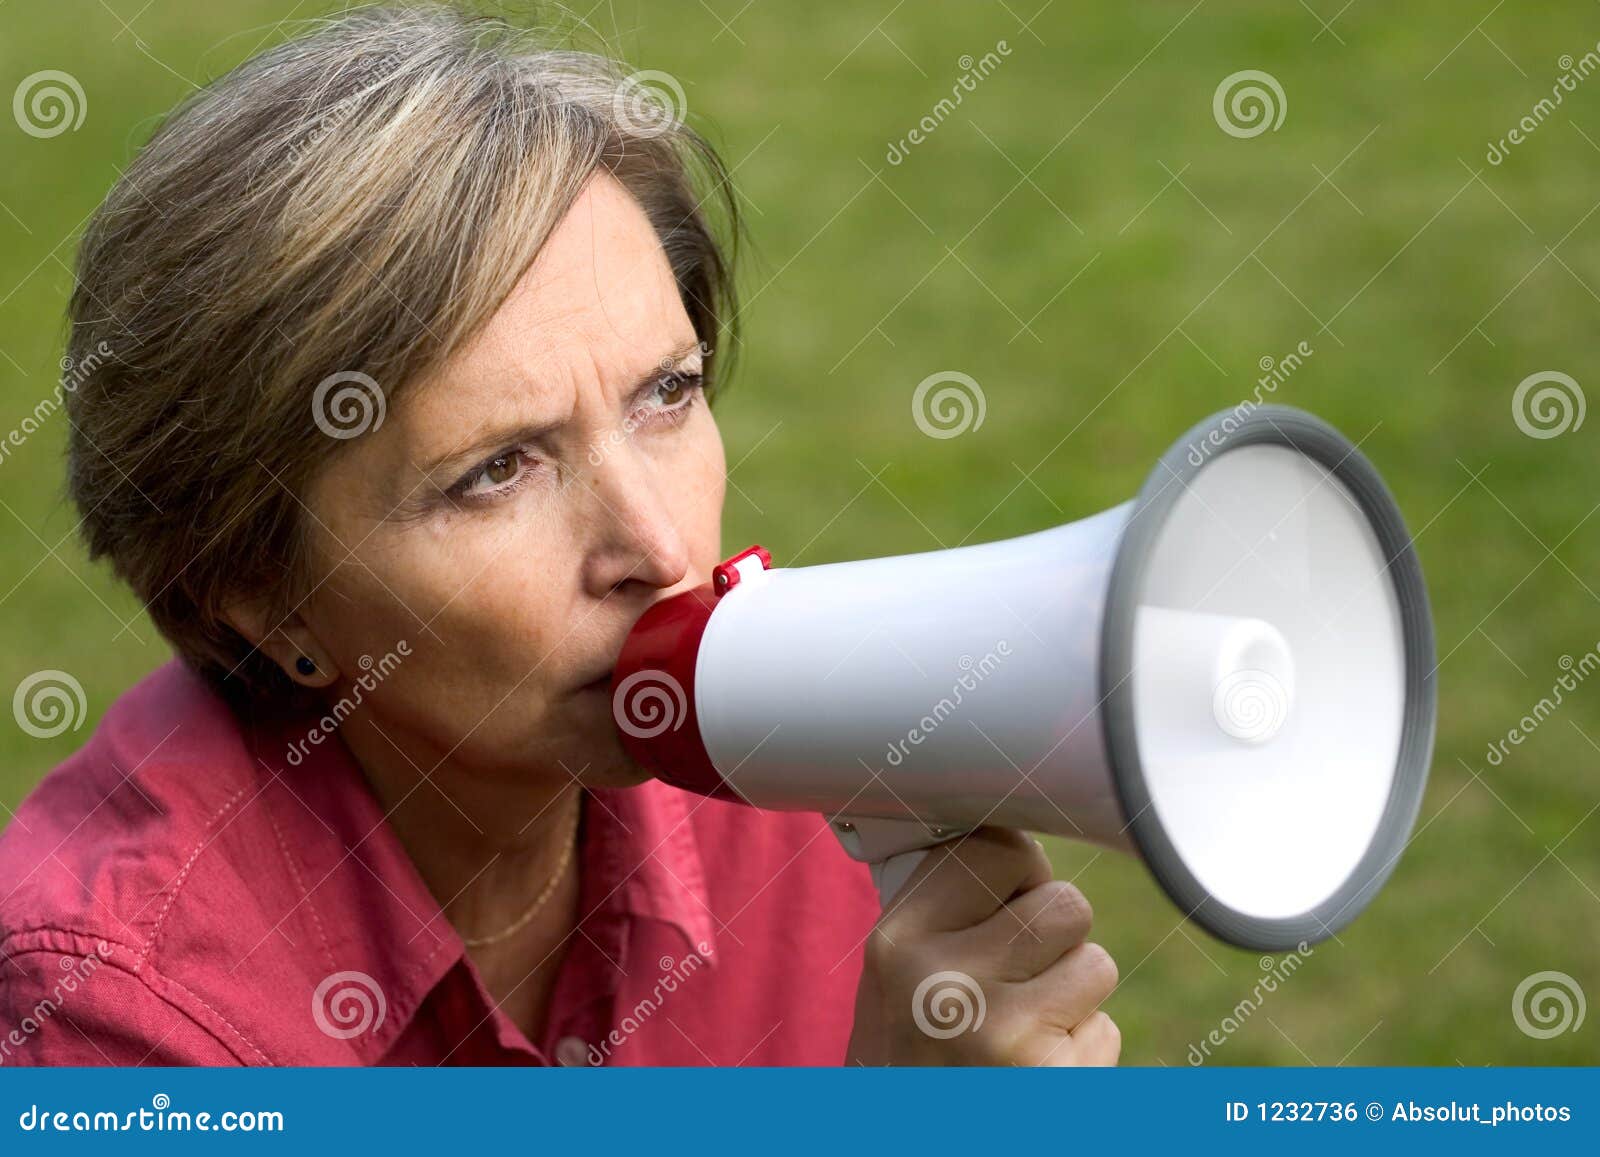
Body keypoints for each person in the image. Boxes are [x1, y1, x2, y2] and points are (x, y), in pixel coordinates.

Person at [0, 3, 1118, 1066]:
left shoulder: (779, 760)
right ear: (255, 592)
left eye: (666, 393)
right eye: (495, 470)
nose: (659, 547)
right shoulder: (120, 1017)